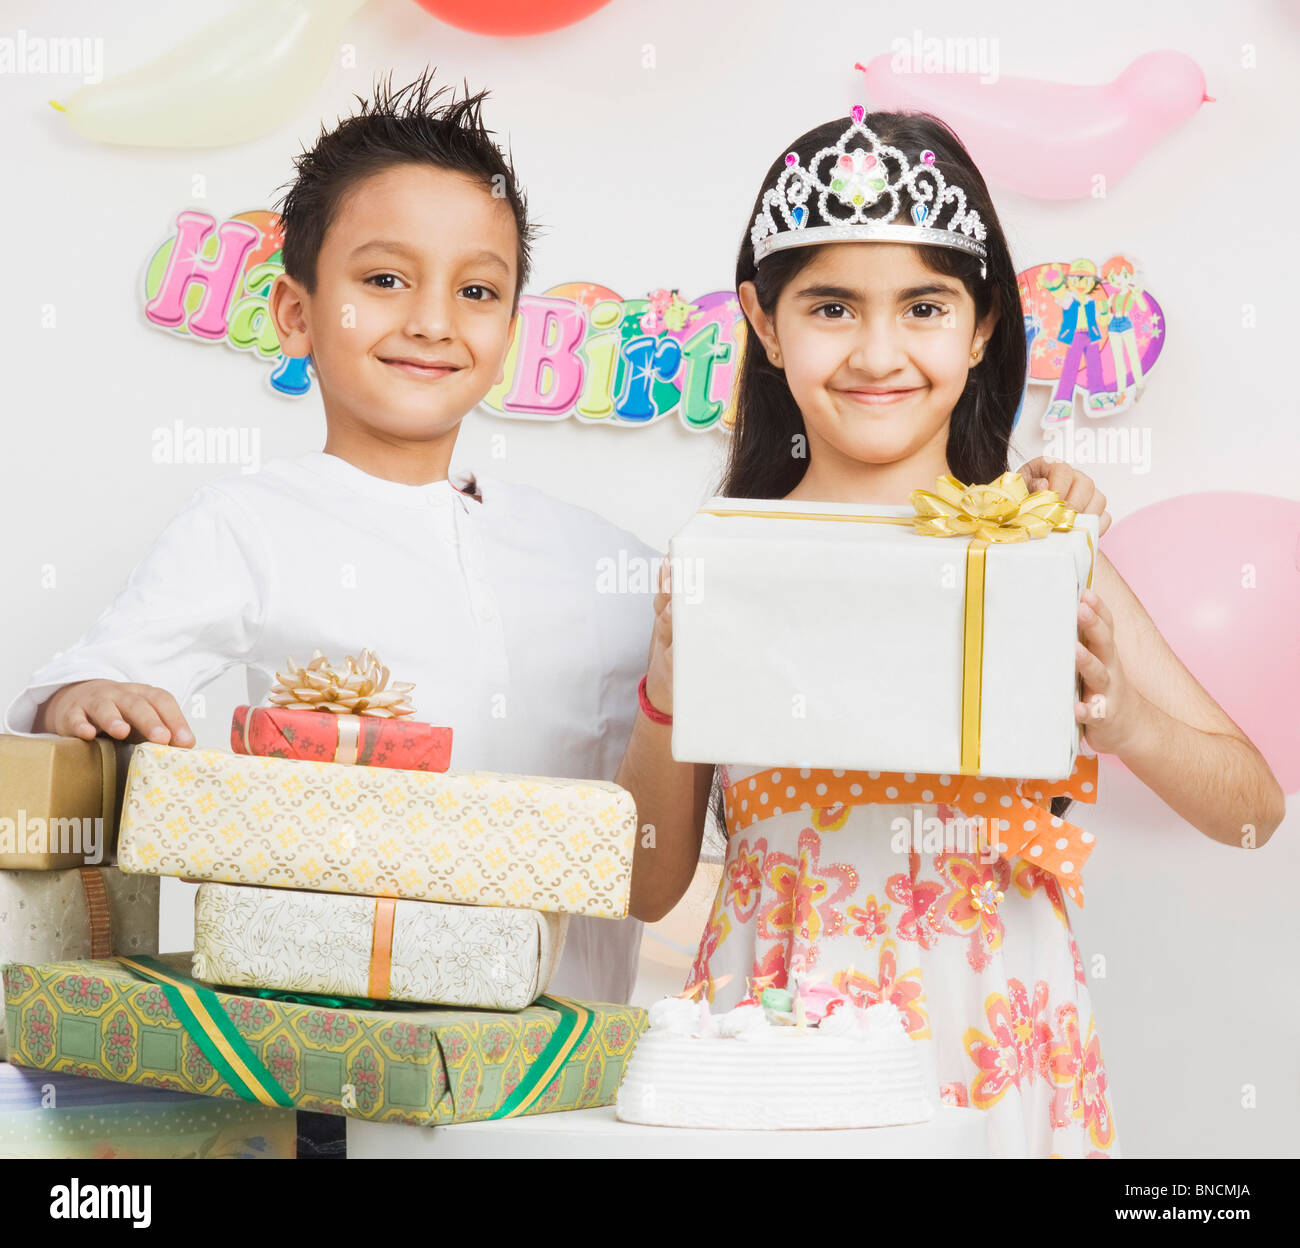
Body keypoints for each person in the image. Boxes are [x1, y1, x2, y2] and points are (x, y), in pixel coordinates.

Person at [616, 108, 1286, 1158]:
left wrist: (1119, 719)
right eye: (830, 306)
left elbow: (1253, 815)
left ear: (978, 328)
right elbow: (644, 887)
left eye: (922, 306)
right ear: (763, 320)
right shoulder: (727, 555)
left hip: (994, 1036)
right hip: (771, 1038)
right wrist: (664, 690)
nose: (877, 352)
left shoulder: (1036, 548)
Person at [3, 70, 657, 1007]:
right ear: (296, 312)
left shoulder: (611, 562)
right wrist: (88, 694)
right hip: (337, 1049)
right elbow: (90, 688)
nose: (431, 321)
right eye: (384, 280)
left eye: (477, 289)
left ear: (512, 330)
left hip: (566, 1059)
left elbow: (682, 813)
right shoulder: (251, 524)